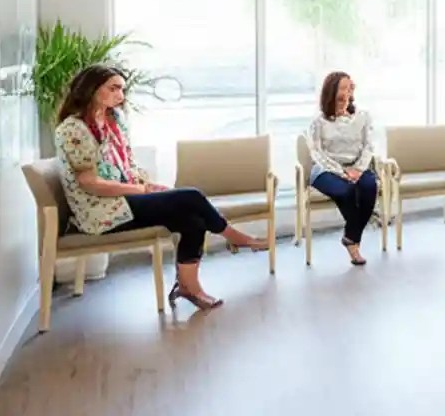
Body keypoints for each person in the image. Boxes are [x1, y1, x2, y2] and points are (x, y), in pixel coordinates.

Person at [54, 64, 268, 311]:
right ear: (91, 89)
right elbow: (90, 183)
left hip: (123, 199)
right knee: (192, 196)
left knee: (192, 220)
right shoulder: (73, 129)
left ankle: (189, 287)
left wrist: (147, 185)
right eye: (113, 88)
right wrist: (142, 192)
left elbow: (127, 166)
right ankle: (236, 238)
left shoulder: (114, 120)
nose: (120, 96)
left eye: (122, 89)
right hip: (101, 210)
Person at [306, 71, 380, 266]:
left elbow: (369, 146)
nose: (348, 92)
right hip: (326, 170)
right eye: (344, 88)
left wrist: (357, 169)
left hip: (356, 166)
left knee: (370, 186)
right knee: (346, 191)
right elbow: (317, 153)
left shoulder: (362, 117)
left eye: (351, 88)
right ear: (332, 91)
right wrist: (342, 172)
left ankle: (350, 237)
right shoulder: (319, 121)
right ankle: (357, 233)